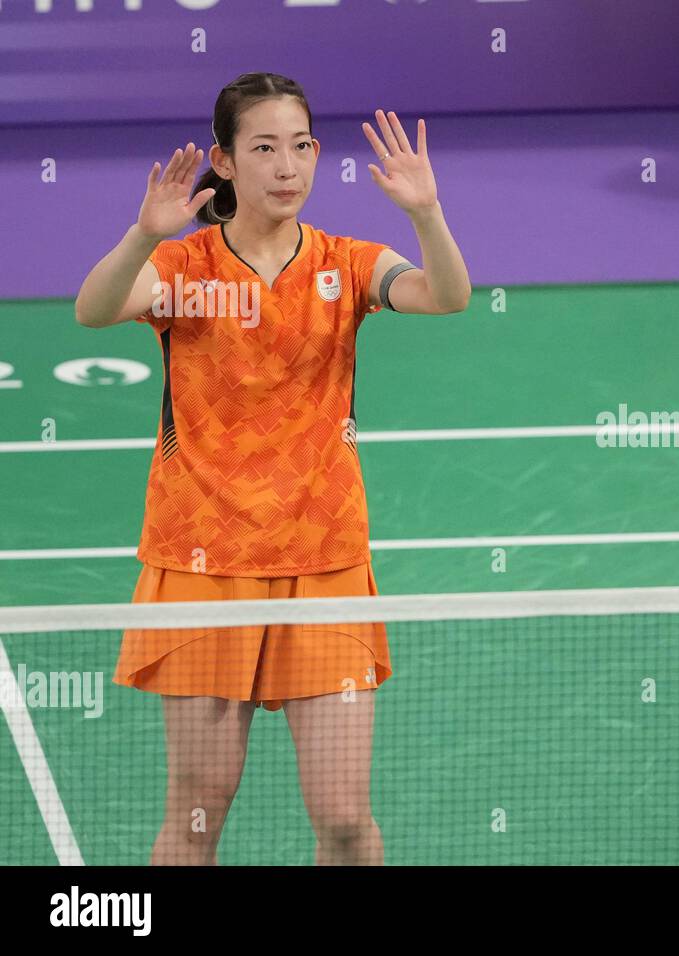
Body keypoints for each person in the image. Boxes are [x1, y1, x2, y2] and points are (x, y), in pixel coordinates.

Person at [74, 72, 471, 865]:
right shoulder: (185, 269)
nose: (287, 167)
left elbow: (447, 296)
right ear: (224, 161)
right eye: (263, 148)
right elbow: (94, 308)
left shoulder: (348, 263)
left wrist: (426, 212)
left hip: (322, 562)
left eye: (300, 147)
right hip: (202, 563)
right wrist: (142, 235)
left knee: (346, 819)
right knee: (197, 809)